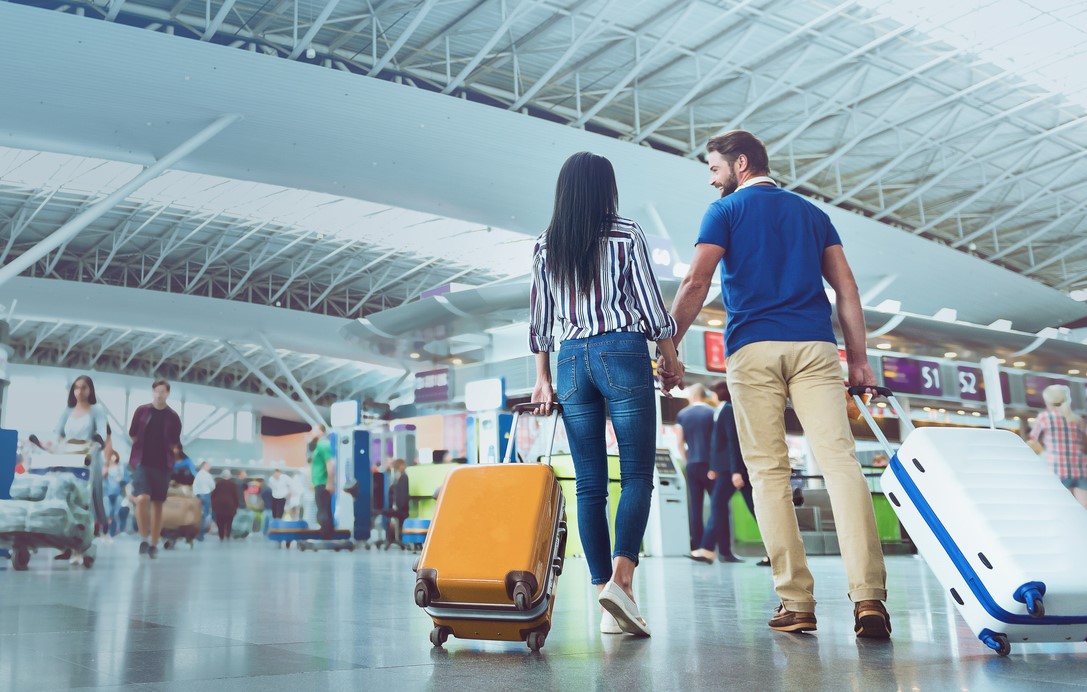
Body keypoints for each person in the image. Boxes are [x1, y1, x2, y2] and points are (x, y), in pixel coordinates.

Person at [667, 130, 890, 638]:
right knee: (840, 463)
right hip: (815, 347)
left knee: (767, 473)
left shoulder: (722, 212)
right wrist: (859, 360)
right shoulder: (812, 214)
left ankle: (797, 601)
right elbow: (846, 287)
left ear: (740, 163)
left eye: (714, 167)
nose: (711, 176)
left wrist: (670, 344)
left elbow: (696, 281)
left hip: (752, 350)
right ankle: (869, 598)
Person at [529, 151, 682, 637]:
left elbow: (540, 323)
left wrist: (543, 379)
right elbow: (651, 306)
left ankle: (604, 599)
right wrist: (670, 355)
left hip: (570, 362)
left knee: (589, 486)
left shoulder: (545, 245)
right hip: (621, 354)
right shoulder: (626, 233)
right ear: (606, 189)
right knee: (636, 475)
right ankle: (622, 580)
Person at [702, 380, 768, 565]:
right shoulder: (723, 409)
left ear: (719, 393)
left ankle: (708, 550)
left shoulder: (729, 409)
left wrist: (735, 471)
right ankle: (716, 551)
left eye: (713, 392)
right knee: (754, 509)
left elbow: (733, 441)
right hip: (727, 470)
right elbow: (720, 444)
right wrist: (715, 467)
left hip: (732, 471)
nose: (712, 396)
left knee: (722, 506)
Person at [54, 375, 111, 563]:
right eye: (76, 387)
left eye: (84, 387)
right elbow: (58, 433)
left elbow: (102, 431)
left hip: (88, 460)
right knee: (67, 501)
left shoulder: (96, 410)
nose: (80, 391)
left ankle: (82, 547)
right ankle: (67, 546)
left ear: (90, 390)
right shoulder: (67, 411)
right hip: (67, 460)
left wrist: (97, 441)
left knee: (85, 503)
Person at [128, 379, 183, 559]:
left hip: (162, 465)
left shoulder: (173, 416)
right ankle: (143, 538)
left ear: (168, 393)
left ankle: (153, 542)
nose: (160, 394)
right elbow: (133, 433)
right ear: (153, 392)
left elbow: (175, 440)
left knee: (158, 503)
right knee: (142, 498)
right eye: (157, 391)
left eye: (163, 392)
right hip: (142, 462)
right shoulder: (142, 411)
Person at [675, 384, 718, 563]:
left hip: (692, 465)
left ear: (692, 395)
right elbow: (718, 441)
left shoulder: (682, 414)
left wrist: (687, 460)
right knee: (718, 506)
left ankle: (698, 547)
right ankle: (720, 548)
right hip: (711, 465)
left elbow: (679, 442)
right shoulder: (712, 412)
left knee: (696, 507)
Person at [1029, 384, 1087, 509]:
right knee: (1083, 510)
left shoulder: (1044, 417)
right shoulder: (1078, 419)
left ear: (1048, 401)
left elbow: (1033, 441)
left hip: (1058, 470)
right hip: (1081, 469)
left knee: (1064, 509)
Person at [310, 425, 336, 539]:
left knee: (323, 510)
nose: (312, 432)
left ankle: (325, 536)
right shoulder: (318, 446)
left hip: (323, 483)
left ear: (321, 431)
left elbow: (330, 464)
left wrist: (330, 482)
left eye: (314, 429)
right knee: (323, 509)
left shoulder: (323, 444)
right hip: (318, 482)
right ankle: (327, 535)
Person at [382, 458, 410, 549]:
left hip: (401, 509)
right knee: (386, 513)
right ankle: (390, 538)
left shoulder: (403, 478)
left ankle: (390, 539)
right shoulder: (399, 478)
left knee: (385, 513)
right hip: (400, 508)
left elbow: (402, 497)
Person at [103, 450, 125, 543]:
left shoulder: (120, 468)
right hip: (107, 493)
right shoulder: (106, 467)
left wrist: (120, 480)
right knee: (107, 513)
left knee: (115, 514)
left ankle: (112, 534)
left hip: (117, 493)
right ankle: (105, 533)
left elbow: (124, 479)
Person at [210, 470, 240, 540]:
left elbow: (213, 495)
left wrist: (213, 505)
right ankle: (228, 535)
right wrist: (236, 505)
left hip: (219, 506)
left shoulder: (218, 484)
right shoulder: (233, 484)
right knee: (229, 522)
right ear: (229, 476)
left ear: (222, 476)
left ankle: (221, 536)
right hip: (230, 506)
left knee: (220, 522)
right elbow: (236, 496)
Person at [192, 461, 215, 541]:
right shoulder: (207, 475)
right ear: (204, 465)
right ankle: (200, 534)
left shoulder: (197, 475)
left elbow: (194, 486)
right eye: (208, 465)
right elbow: (212, 486)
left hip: (198, 496)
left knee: (197, 515)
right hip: (205, 495)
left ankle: (196, 533)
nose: (209, 467)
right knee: (204, 515)